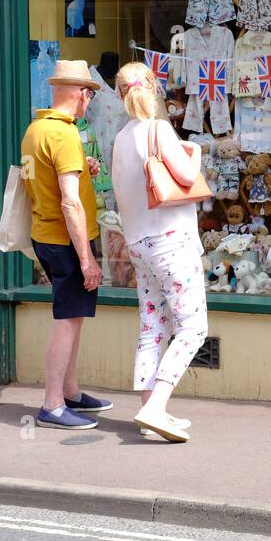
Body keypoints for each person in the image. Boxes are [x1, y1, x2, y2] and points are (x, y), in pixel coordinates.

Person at [111, 60, 209, 442]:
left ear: (121, 95)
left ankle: (150, 407)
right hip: (172, 241)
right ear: (152, 89)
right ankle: (157, 406)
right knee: (193, 327)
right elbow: (186, 177)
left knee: (153, 325)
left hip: (139, 243)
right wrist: (194, 151)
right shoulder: (159, 129)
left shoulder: (121, 138)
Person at [20, 59, 113, 429]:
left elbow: (43, 178)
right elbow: (70, 202)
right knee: (67, 320)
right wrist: (87, 258)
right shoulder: (63, 135)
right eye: (88, 93)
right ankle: (53, 404)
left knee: (72, 317)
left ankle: (70, 392)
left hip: (46, 234)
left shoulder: (37, 129)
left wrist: (81, 166)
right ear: (81, 95)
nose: (88, 100)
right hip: (66, 240)